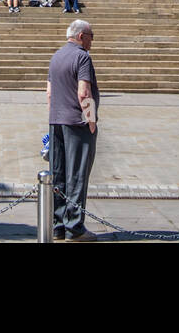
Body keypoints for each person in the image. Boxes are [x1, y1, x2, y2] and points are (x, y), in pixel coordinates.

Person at [47, 18, 99, 242]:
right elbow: (83, 93)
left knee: (59, 174)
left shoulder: (56, 56)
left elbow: (49, 93)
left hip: (56, 121)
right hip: (77, 123)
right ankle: (75, 228)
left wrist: (54, 117)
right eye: (91, 37)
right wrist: (91, 120)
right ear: (81, 36)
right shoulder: (82, 57)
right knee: (77, 175)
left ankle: (57, 225)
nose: (91, 42)